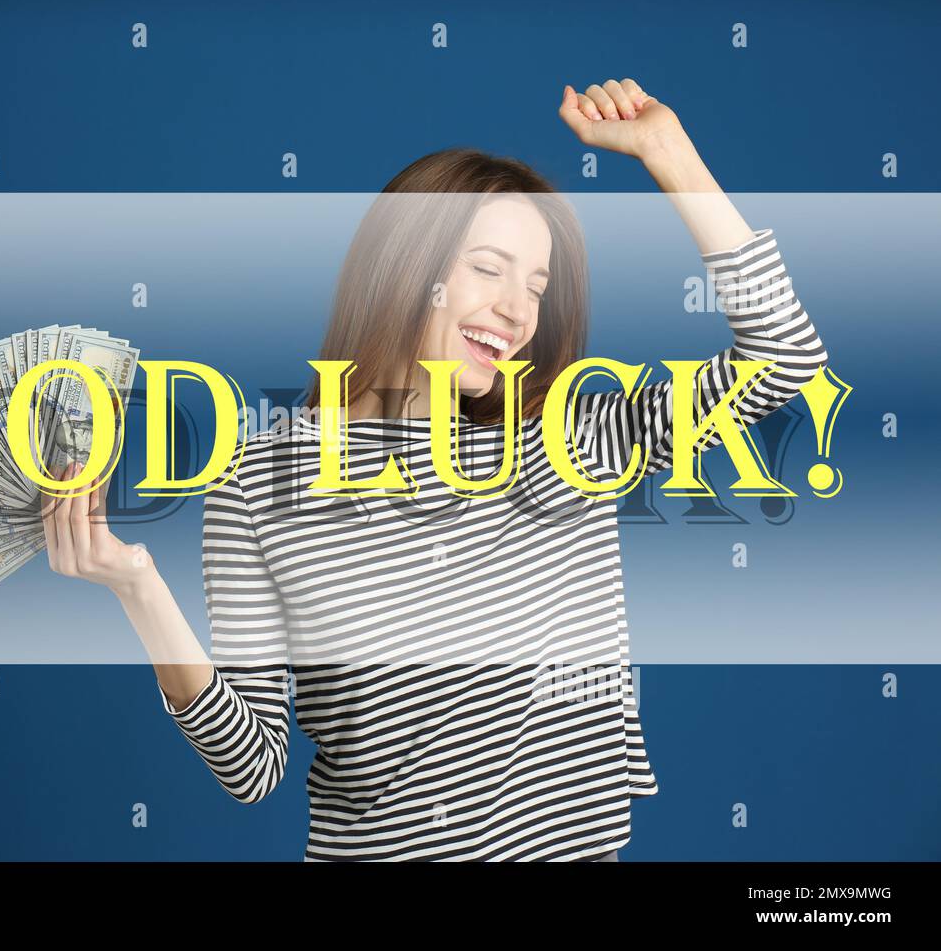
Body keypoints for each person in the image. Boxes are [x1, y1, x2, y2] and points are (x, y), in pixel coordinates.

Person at [40, 78, 829, 861]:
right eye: (490, 267)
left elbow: (784, 354)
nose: (521, 311)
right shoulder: (261, 479)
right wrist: (136, 586)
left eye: (538, 286)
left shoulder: (578, 441)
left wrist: (668, 151)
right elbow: (252, 768)